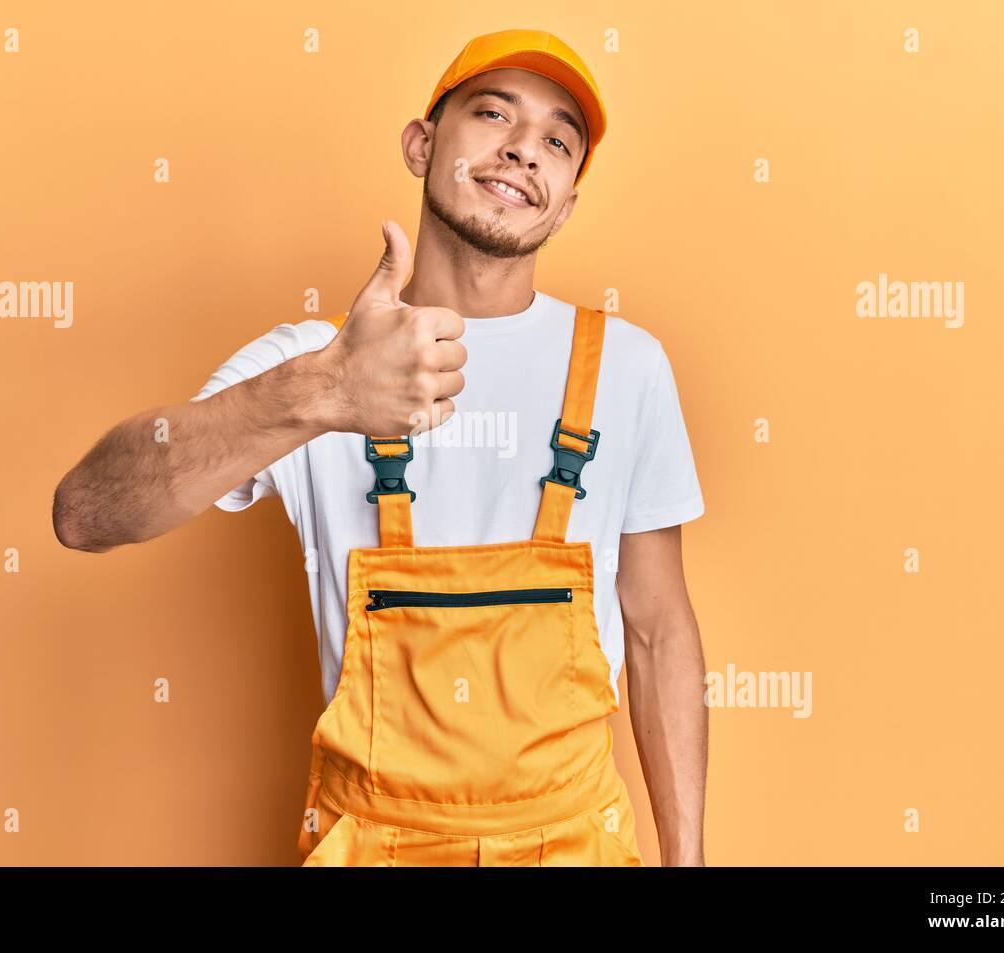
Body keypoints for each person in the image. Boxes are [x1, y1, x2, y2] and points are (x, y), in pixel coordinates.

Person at [52, 29, 708, 866]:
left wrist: (688, 861)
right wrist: (321, 393)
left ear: (567, 200)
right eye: (493, 112)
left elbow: (658, 629)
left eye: (556, 140)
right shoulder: (311, 359)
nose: (522, 150)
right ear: (421, 144)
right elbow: (88, 513)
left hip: (578, 842)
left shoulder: (628, 367)